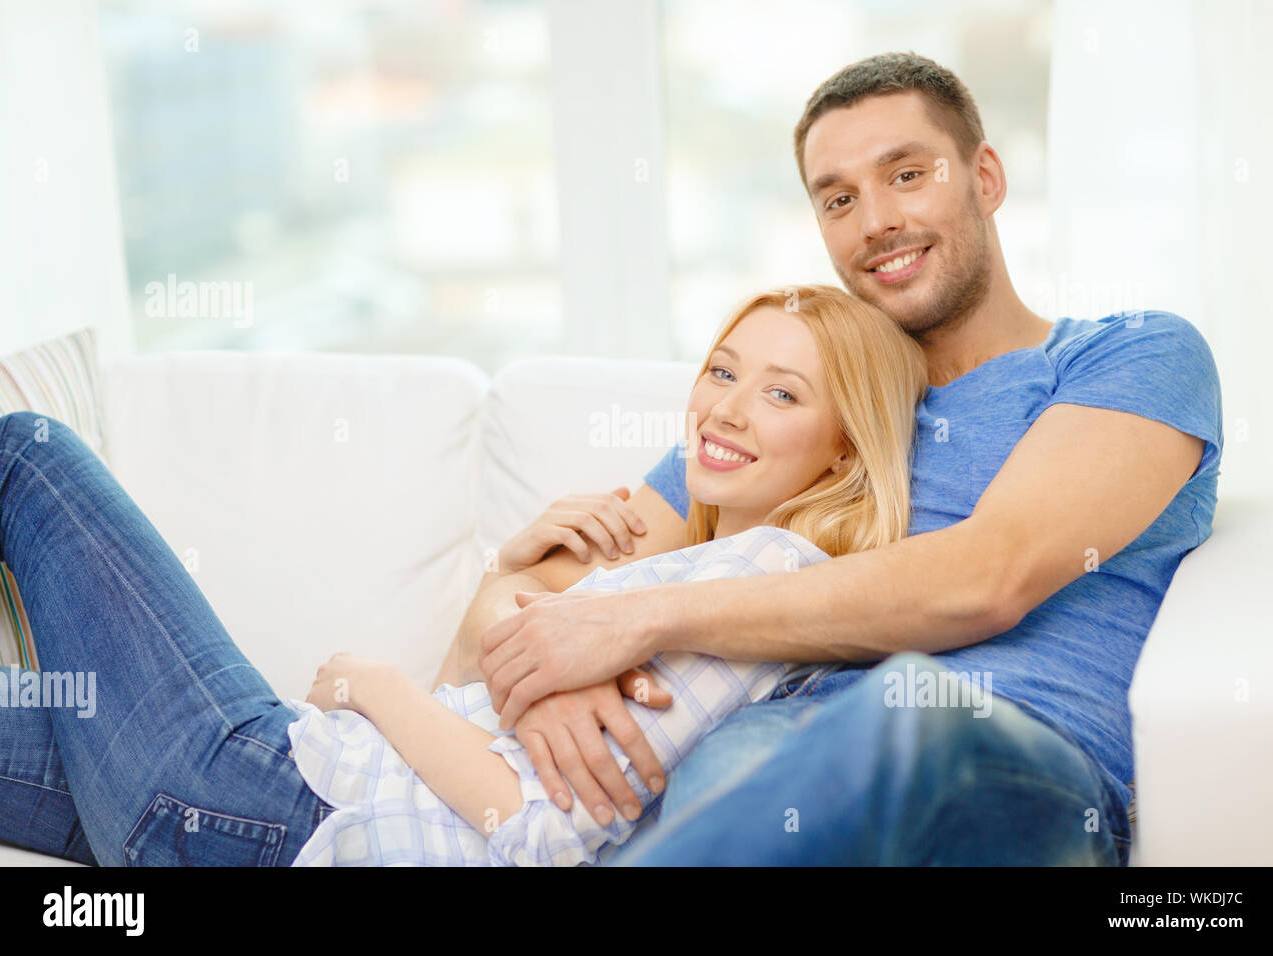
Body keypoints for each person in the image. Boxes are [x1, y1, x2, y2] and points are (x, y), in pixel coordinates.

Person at [463, 52, 1223, 865]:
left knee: (903, 715)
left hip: (1001, 753)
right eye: (839, 198)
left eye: (905, 175)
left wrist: (635, 619)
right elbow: (524, 592)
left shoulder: (1130, 355)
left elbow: (988, 577)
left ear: (987, 177)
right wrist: (536, 687)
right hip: (777, 740)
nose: (874, 223)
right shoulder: (796, 407)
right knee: (747, 768)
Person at [0, 283, 925, 866]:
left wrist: (375, 685)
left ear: (846, 452)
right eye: (723, 371)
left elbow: (546, 836)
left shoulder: (774, 575)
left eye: (781, 393)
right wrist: (501, 589)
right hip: (275, 810)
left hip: (264, 800)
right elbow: (470, 761)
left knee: (27, 451)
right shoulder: (695, 564)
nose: (726, 410)